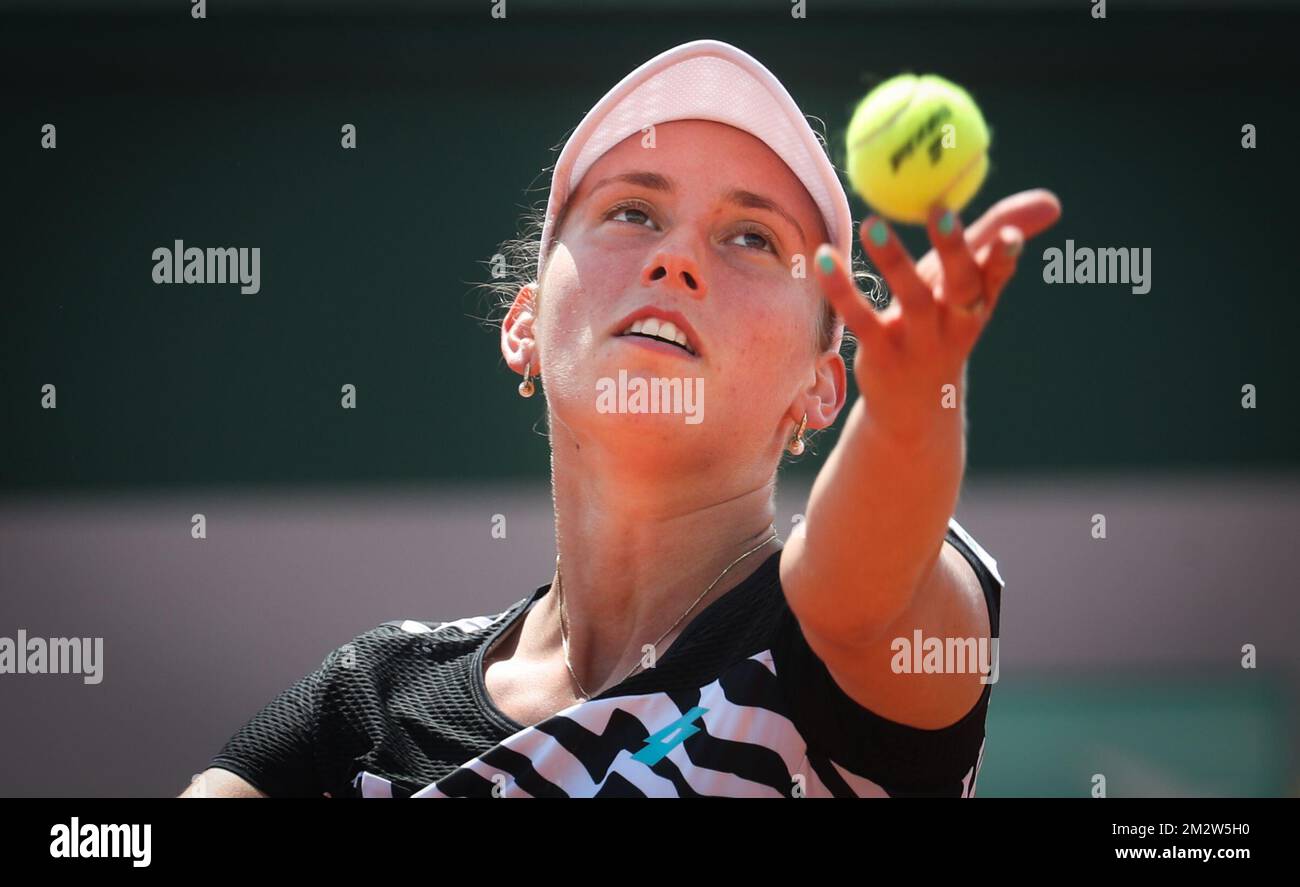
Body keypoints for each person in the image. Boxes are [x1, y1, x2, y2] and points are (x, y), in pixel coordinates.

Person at [181, 38, 1061, 798]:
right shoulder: (368, 695)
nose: (676, 258)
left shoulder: (831, 637)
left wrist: (909, 413)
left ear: (822, 391)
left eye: (752, 237)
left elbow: (862, 590)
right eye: (633, 212)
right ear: (524, 324)